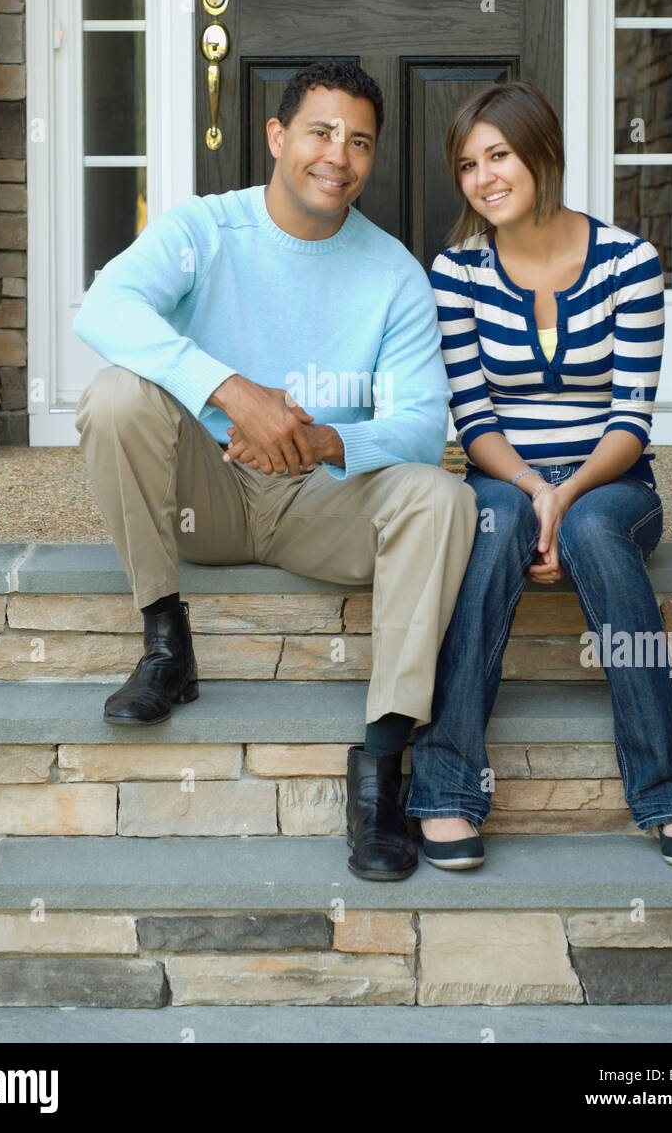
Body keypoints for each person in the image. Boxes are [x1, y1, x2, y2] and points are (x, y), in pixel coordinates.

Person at [72, 60, 478, 882]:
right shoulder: (204, 230)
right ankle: (163, 642)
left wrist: (320, 440)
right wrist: (230, 393)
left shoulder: (393, 273)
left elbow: (417, 422)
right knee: (117, 396)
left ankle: (382, 767)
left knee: (440, 496)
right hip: (208, 494)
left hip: (323, 505)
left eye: (359, 142)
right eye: (321, 132)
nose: (339, 156)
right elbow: (103, 308)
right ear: (277, 136)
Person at [403, 80, 672, 871]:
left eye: (499, 155)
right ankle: (444, 792)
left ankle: (669, 792)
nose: (484, 179)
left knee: (589, 528)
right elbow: (472, 421)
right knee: (494, 523)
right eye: (468, 165)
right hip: (503, 477)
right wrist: (531, 489)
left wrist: (565, 492)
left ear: (543, 153)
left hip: (609, 483)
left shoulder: (628, 262)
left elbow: (629, 422)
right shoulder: (458, 272)